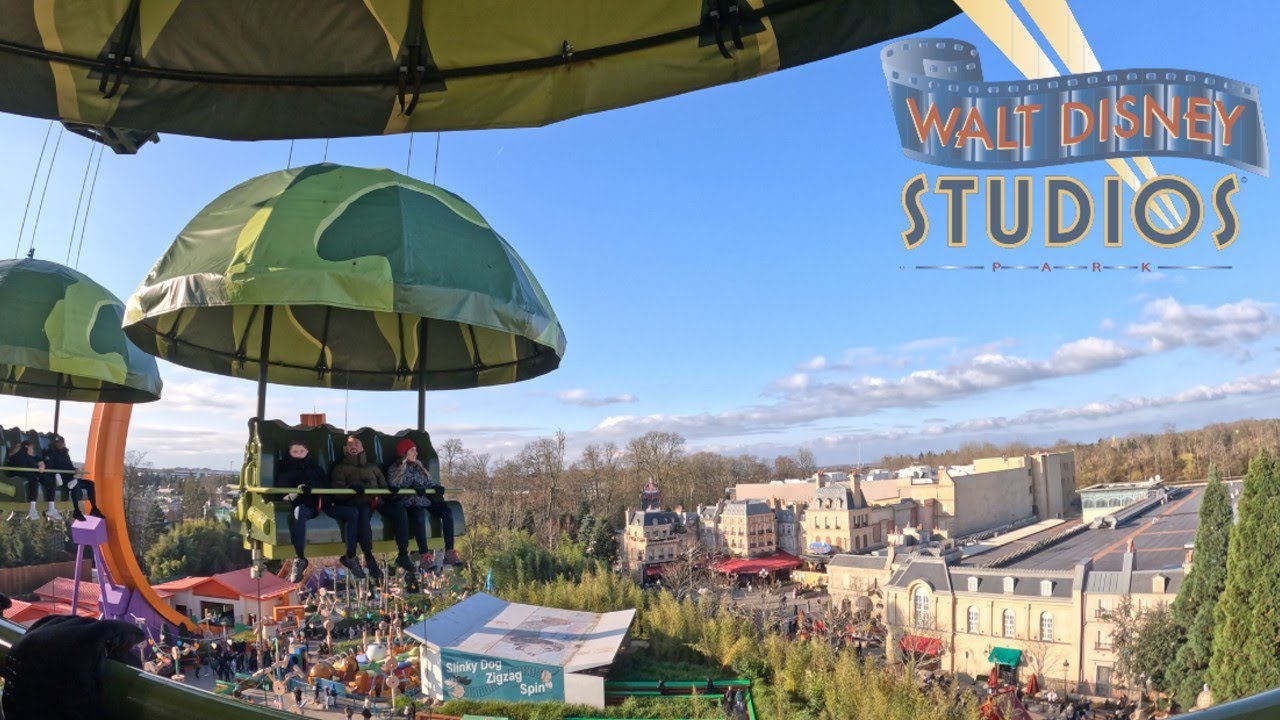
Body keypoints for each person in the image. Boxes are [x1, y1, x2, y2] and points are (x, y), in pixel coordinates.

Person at [280, 441, 365, 582]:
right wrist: (296, 493)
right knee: (299, 512)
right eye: (295, 452)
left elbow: (330, 490)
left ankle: (350, 556)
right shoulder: (286, 471)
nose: (299, 454)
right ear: (289, 453)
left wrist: (351, 490)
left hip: (323, 504)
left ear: (307, 452)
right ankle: (300, 558)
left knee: (352, 512)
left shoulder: (316, 470)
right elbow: (281, 495)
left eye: (301, 451)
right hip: (305, 506)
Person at [331, 436, 413, 580]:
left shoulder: (372, 467)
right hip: (356, 502)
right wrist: (351, 489)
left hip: (376, 502)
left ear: (362, 448)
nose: (353, 446)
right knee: (362, 513)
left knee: (399, 510)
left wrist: (392, 493)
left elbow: (384, 488)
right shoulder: (341, 468)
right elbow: (337, 493)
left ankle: (403, 554)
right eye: (350, 445)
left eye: (357, 443)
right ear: (346, 449)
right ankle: (369, 558)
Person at [387, 438, 459, 568]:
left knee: (447, 512)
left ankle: (449, 550)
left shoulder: (419, 466)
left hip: (424, 500)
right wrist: (412, 488)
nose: (416, 453)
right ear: (405, 453)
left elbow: (428, 482)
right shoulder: (396, 468)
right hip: (409, 502)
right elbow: (394, 485)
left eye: (415, 450)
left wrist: (436, 488)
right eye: (412, 450)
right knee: (419, 516)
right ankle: (424, 555)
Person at [44, 437, 103, 521]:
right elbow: (51, 466)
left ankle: (94, 508)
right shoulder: (52, 453)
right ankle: (77, 510)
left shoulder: (65, 454)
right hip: (62, 479)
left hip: (70, 478)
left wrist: (75, 469)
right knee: (76, 484)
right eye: (58, 442)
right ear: (55, 444)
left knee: (90, 484)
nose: (60, 444)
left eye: (62, 442)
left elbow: (69, 467)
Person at [8, 440, 56, 520]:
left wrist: (41, 465)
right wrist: (19, 449)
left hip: (34, 472)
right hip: (22, 473)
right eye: (31, 448)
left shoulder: (32, 457)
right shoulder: (21, 454)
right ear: (27, 447)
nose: (33, 450)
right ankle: (32, 509)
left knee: (50, 479)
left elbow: (40, 461)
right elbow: (17, 460)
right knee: (34, 478)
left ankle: (51, 508)